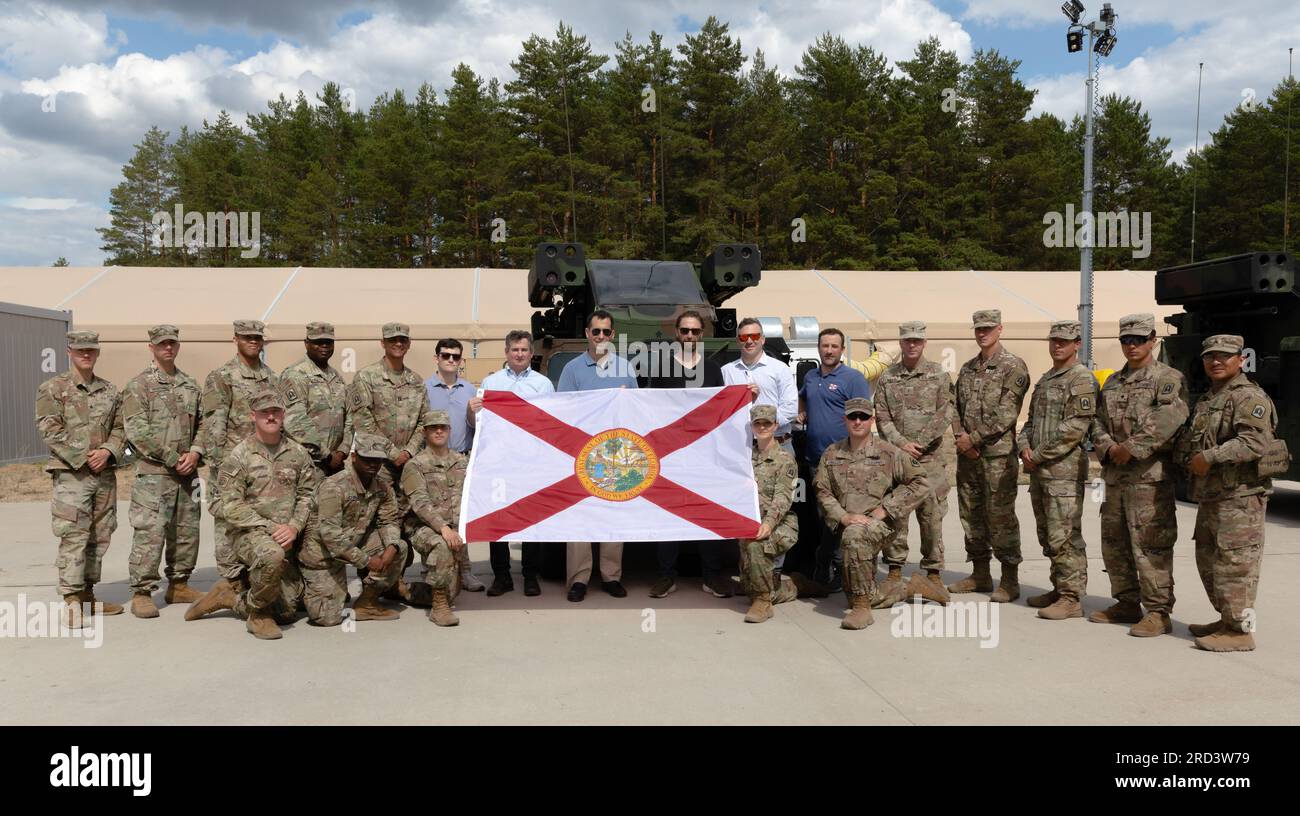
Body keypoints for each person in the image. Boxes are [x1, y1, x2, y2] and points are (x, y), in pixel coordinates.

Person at [1088, 313, 1188, 636]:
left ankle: (1158, 611)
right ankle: (1127, 603)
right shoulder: (1113, 382)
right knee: (1115, 542)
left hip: (1149, 479)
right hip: (1115, 477)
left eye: (1139, 339)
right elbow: (1097, 421)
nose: (1131, 345)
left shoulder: (1167, 378)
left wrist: (1130, 447)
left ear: (1153, 341)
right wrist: (1107, 447)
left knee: (1151, 544)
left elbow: (1169, 418)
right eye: (1126, 340)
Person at [185, 390, 314, 640]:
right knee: (272, 556)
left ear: (283, 414)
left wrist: (295, 527)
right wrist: (270, 527)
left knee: (288, 610)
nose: (271, 416)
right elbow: (231, 506)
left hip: (289, 534)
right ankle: (257, 614)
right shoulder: (239, 456)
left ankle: (230, 597)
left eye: (276, 411)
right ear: (253, 416)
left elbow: (307, 495)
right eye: (265, 412)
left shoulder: (298, 453)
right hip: (249, 534)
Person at [1179, 335, 1280, 652]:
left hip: (1240, 497)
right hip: (1213, 495)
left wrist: (1209, 458)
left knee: (1238, 566)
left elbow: (1254, 443)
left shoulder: (1249, 397)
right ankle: (1227, 620)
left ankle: (1242, 631)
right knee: (1211, 561)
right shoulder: (1211, 397)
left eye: (1224, 356)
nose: (1216, 361)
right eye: (1210, 357)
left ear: (1241, 360)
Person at [35, 330, 126, 628]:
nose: (86, 354)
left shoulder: (110, 391)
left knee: (100, 535)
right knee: (73, 535)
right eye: (80, 350)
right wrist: (84, 455)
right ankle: (72, 600)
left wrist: (108, 451)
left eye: (91, 350)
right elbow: (50, 429)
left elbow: (120, 428)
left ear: (97, 353)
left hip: (104, 474)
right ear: (69, 351)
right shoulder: (52, 388)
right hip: (71, 474)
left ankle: (88, 594)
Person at [814, 398, 930, 630]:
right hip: (847, 523)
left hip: (882, 525)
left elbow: (920, 482)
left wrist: (885, 509)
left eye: (864, 417)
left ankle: (861, 608)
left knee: (855, 537)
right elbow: (822, 489)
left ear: (872, 421)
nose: (858, 421)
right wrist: (843, 516)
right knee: (852, 541)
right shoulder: (832, 453)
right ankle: (909, 588)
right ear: (844, 420)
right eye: (853, 417)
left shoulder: (888, 453)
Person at [640, 310, 732, 599]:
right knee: (667, 514)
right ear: (676, 333)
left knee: (707, 511)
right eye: (684, 331)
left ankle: (712, 576)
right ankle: (667, 576)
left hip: (704, 454)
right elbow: (650, 407)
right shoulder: (662, 367)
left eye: (694, 331)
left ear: (702, 334)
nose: (689, 335)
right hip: (668, 454)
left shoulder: (714, 369)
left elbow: (721, 411)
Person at [121, 324, 204, 618]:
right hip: (154, 473)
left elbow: (204, 425)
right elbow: (136, 431)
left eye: (172, 343)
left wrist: (195, 452)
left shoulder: (190, 385)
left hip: (187, 473)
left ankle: (179, 584)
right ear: (151, 348)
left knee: (186, 531)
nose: (168, 348)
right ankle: (142, 591)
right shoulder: (139, 385)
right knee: (150, 532)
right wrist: (172, 457)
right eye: (162, 344)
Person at [1017, 320, 1097, 619]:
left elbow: (1075, 427)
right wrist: (1022, 445)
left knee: (1065, 534)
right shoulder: (1047, 379)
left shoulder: (1081, 379)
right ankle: (1059, 586)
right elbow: (1031, 421)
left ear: (1077, 344)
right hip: (1040, 471)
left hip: (1063, 471)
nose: (1057, 345)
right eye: (1054, 340)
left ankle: (1072, 597)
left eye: (1064, 341)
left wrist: (1037, 454)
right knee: (1048, 533)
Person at [348, 322, 435, 601]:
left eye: (403, 340)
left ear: (408, 344)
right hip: (377, 467)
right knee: (374, 521)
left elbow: (424, 420)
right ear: (383, 343)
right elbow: (362, 420)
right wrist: (391, 452)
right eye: (393, 340)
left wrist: (408, 452)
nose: (398, 344)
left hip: (407, 466)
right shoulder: (366, 377)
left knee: (404, 520)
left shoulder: (416, 381)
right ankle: (371, 582)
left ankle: (395, 580)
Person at [557, 309, 637, 602]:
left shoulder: (626, 369)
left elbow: (635, 410)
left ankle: (611, 576)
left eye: (606, 332)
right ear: (587, 334)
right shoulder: (572, 369)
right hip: (581, 453)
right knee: (580, 516)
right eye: (596, 331)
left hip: (615, 453)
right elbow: (563, 412)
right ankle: (578, 579)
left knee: (613, 515)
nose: (600, 336)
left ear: (612, 335)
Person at [949, 309, 1029, 602]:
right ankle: (980, 573)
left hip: (996, 457)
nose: (983, 333)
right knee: (971, 514)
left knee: (1001, 517)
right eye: (978, 329)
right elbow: (954, 406)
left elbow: (1007, 413)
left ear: (1000, 329)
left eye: (988, 328)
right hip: (968, 456)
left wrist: (974, 438)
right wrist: (961, 438)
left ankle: (1009, 580)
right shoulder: (969, 368)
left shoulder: (1013, 367)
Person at [871, 321, 953, 606]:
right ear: (901, 342)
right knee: (897, 516)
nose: (912, 345)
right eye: (907, 341)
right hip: (898, 461)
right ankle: (894, 570)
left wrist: (919, 444)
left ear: (924, 343)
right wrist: (902, 445)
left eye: (917, 340)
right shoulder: (887, 378)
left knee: (932, 517)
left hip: (929, 460)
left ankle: (932, 572)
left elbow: (944, 414)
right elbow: (881, 416)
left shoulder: (939, 375)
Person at [468, 330, 554, 596]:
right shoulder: (491, 382)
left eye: (524, 350)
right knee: (498, 520)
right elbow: (477, 425)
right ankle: (502, 576)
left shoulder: (543, 385)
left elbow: (553, 424)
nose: (519, 354)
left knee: (531, 519)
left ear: (531, 353)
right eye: (515, 349)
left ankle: (530, 575)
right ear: (506, 352)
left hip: (531, 462)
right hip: (500, 461)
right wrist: (472, 412)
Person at [197, 319, 278, 600]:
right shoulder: (222, 376)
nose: (253, 341)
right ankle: (230, 583)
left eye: (257, 337)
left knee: (257, 519)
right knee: (227, 521)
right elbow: (214, 424)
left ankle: (252, 578)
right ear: (236, 339)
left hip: (263, 466)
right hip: (231, 465)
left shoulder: (271, 377)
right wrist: (221, 467)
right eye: (247, 337)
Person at [299, 432, 408, 626]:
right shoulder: (333, 486)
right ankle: (300, 585)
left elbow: (389, 521)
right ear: (354, 457)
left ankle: (367, 603)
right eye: (367, 459)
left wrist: (391, 547)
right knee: (326, 618)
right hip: (323, 554)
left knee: (399, 546)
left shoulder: (383, 487)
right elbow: (330, 535)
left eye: (378, 461)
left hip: (355, 542)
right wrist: (366, 561)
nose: (373, 465)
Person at [798, 327, 871, 589]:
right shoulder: (810, 377)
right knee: (824, 516)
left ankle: (840, 567)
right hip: (816, 460)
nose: (828, 350)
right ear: (818, 348)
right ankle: (826, 564)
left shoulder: (852, 378)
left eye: (834, 346)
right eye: (824, 346)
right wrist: (802, 412)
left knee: (844, 515)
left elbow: (864, 417)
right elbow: (803, 399)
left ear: (842, 350)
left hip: (845, 460)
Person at [421, 337, 483, 592]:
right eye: (445, 355)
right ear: (436, 358)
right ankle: (431, 570)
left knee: (461, 519)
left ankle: (465, 571)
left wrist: (472, 412)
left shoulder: (470, 390)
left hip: (460, 461)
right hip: (430, 463)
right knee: (433, 518)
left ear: (461, 360)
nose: (450, 360)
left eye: (455, 356)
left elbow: (476, 427)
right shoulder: (423, 388)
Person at [401, 414, 467, 625]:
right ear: (425, 432)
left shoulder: (461, 461)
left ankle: (403, 590)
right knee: (441, 546)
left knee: (452, 591)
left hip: (454, 528)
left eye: (443, 427)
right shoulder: (415, 465)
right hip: (423, 527)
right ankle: (439, 609)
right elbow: (420, 504)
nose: (439, 431)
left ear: (449, 430)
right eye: (433, 428)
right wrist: (444, 529)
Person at [738, 405, 801, 623]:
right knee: (748, 587)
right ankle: (793, 587)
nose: (763, 427)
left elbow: (783, 498)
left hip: (782, 524)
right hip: (752, 522)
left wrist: (768, 523)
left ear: (776, 425)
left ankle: (763, 602)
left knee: (757, 545)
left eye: (767, 423)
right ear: (752, 427)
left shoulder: (785, 459)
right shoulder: (745, 457)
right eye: (758, 423)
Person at [280, 321, 352, 479]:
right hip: (306, 465)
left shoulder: (336, 378)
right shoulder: (295, 375)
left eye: (328, 342)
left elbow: (349, 418)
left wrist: (342, 451)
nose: (324, 346)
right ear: (306, 344)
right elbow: (295, 421)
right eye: (318, 342)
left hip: (334, 467)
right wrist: (327, 455)